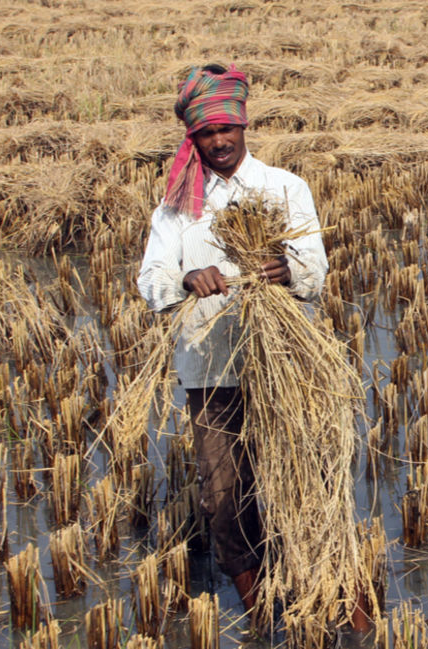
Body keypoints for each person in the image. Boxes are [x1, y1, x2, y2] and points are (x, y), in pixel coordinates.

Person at [136, 63, 328, 615]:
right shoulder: (176, 206)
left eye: (227, 130)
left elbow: (316, 266)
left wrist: (287, 271)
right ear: (193, 138)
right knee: (225, 498)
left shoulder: (284, 187)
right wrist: (184, 280)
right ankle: (261, 610)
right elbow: (151, 281)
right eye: (206, 134)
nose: (218, 142)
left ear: (244, 127)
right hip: (210, 368)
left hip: (284, 365)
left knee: (300, 480)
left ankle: (322, 586)